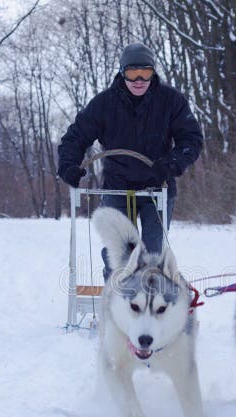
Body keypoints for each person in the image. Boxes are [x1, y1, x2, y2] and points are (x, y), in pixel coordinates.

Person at [57, 42, 203, 262]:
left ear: (153, 73)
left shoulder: (172, 101)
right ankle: (117, 284)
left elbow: (191, 139)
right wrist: (68, 165)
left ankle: (149, 284)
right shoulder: (104, 104)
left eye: (145, 73)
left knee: (152, 254)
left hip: (157, 186)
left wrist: (172, 162)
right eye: (132, 74)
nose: (139, 80)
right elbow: (75, 137)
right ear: (122, 72)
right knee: (119, 254)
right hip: (117, 186)